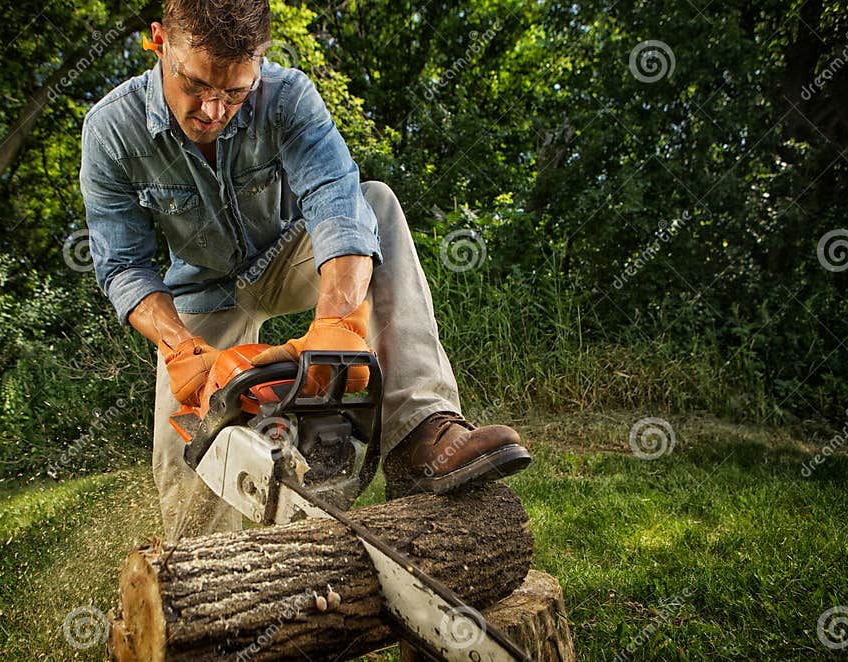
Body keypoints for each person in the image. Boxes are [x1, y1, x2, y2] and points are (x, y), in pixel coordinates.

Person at [79, 0, 530, 542]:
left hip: (288, 255)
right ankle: (206, 566)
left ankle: (420, 433)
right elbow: (124, 265)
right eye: (196, 85)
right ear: (159, 41)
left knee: (376, 203)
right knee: (187, 463)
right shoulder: (111, 130)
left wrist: (337, 323)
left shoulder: (287, 96)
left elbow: (336, 201)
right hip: (201, 292)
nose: (214, 110)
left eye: (234, 93)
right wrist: (180, 348)